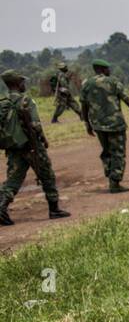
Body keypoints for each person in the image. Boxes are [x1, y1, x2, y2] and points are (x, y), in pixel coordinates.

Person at [0, 70, 70, 225]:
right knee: (47, 176)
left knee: (13, 180)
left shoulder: (3, 103)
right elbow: (36, 125)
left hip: (14, 147)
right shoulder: (26, 100)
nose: (24, 84)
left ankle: (1, 207)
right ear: (17, 84)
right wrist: (43, 140)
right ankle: (54, 209)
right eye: (22, 81)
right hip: (32, 146)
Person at [80, 59, 129, 193]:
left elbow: (83, 106)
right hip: (115, 124)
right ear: (103, 69)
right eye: (108, 69)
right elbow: (126, 99)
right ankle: (114, 182)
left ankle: (110, 176)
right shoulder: (113, 82)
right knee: (118, 153)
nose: (109, 71)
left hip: (98, 125)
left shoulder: (87, 84)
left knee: (106, 152)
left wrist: (87, 123)